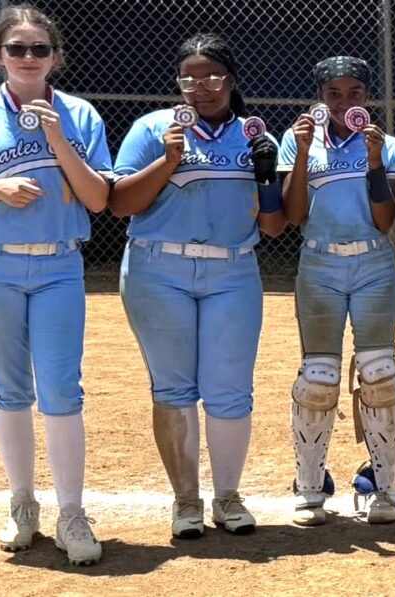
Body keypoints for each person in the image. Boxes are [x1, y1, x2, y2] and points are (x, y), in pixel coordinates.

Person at [0, 4, 112, 565]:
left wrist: (58, 138)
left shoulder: (79, 114)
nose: (28, 57)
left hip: (58, 264)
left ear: (55, 57)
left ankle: (72, 513)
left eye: (39, 49)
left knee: (62, 389)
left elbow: (98, 199)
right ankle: (22, 504)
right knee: (10, 389)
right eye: (16, 48)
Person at [111, 33, 286, 539]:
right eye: (189, 78)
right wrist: (167, 161)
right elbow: (120, 204)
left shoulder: (255, 135)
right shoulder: (153, 128)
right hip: (158, 268)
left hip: (232, 270)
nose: (201, 87)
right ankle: (186, 500)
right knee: (173, 387)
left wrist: (267, 174)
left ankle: (228, 496)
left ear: (231, 80)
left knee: (230, 389)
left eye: (212, 76)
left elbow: (273, 227)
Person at [279, 55, 395, 526]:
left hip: (373, 260)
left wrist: (374, 162)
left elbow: (386, 219)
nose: (343, 102)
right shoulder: (301, 141)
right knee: (318, 376)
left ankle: (384, 485)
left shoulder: (386, 144)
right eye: (333, 94)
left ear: (367, 97)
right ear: (320, 97)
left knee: (380, 373)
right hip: (319, 262)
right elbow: (293, 215)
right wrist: (301, 151)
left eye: (354, 93)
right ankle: (310, 484)